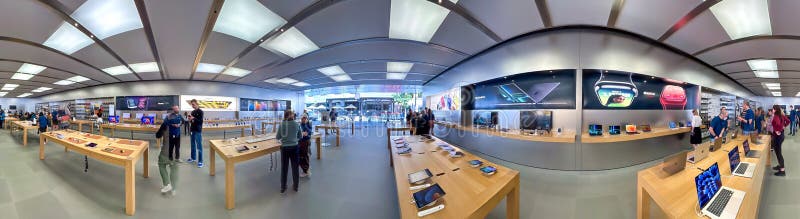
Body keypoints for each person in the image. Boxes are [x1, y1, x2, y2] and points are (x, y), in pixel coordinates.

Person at [276, 109, 302, 193]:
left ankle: (283, 187)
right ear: (292, 115)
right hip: (294, 147)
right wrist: (294, 139)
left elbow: (278, 137)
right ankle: (296, 186)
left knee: (284, 168)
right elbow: (300, 136)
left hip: (284, 148)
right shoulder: (296, 124)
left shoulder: (282, 124)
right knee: (295, 168)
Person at [156, 119, 179, 195]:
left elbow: (158, 135)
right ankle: (174, 189)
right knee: (174, 169)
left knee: (161, 165)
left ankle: (167, 184)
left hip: (165, 153)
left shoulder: (165, 125)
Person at [771, 105, 790, 176]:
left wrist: (777, 130)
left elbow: (778, 124)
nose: (772, 110)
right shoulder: (781, 115)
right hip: (780, 136)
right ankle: (780, 165)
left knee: (778, 153)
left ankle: (782, 171)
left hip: (778, 137)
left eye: (773, 109)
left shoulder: (776, 116)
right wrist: (783, 127)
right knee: (778, 152)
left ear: (775, 110)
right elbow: (788, 121)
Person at [186, 99, 205, 168]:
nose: (192, 106)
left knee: (199, 146)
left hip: (198, 131)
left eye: (193, 104)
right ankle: (193, 158)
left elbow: (200, 122)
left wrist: (193, 118)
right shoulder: (193, 112)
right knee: (192, 145)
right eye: (192, 105)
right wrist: (190, 120)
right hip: (192, 130)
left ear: (197, 104)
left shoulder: (200, 112)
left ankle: (200, 161)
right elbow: (192, 121)